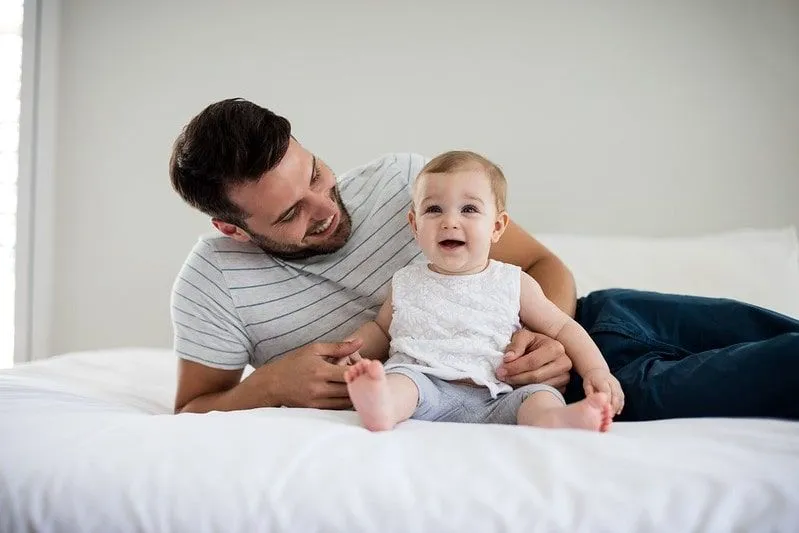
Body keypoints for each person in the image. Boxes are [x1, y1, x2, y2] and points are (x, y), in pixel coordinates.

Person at [168, 97, 799, 421]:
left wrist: (545, 330)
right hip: (557, 392)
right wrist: (271, 385)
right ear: (234, 227)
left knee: (769, 333)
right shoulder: (212, 285)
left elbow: (544, 265)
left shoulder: (408, 183)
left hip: (597, 324)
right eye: (289, 215)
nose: (324, 206)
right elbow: (192, 411)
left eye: (315, 173)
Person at [342, 150, 621, 432]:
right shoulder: (405, 281)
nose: (450, 221)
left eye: (469, 209)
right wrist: (350, 352)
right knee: (400, 380)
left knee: (539, 396)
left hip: (498, 393)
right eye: (434, 209)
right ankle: (382, 406)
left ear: (497, 227)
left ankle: (556, 419)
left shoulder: (513, 281)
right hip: (426, 384)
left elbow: (562, 327)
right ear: (415, 225)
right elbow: (380, 329)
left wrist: (597, 371)